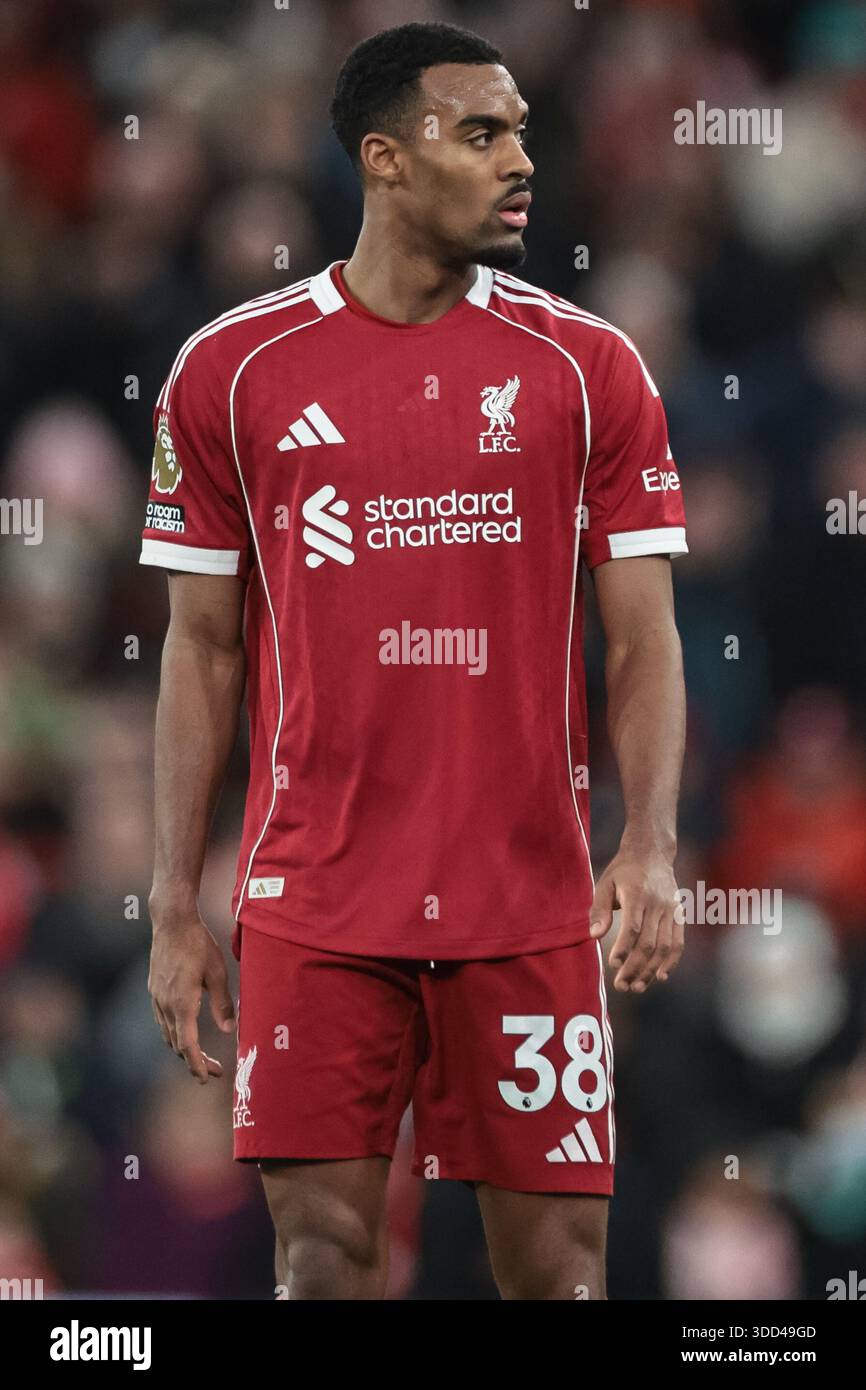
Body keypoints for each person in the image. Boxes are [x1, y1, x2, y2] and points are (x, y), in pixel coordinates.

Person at [142, 20, 687, 1301]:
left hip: (526, 904)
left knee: (557, 1274)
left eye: (523, 134)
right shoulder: (229, 372)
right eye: (481, 133)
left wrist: (650, 843)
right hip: (315, 903)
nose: (520, 163)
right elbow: (200, 650)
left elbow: (644, 639)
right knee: (322, 1260)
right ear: (384, 158)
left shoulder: (587, 367)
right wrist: (172, 901)